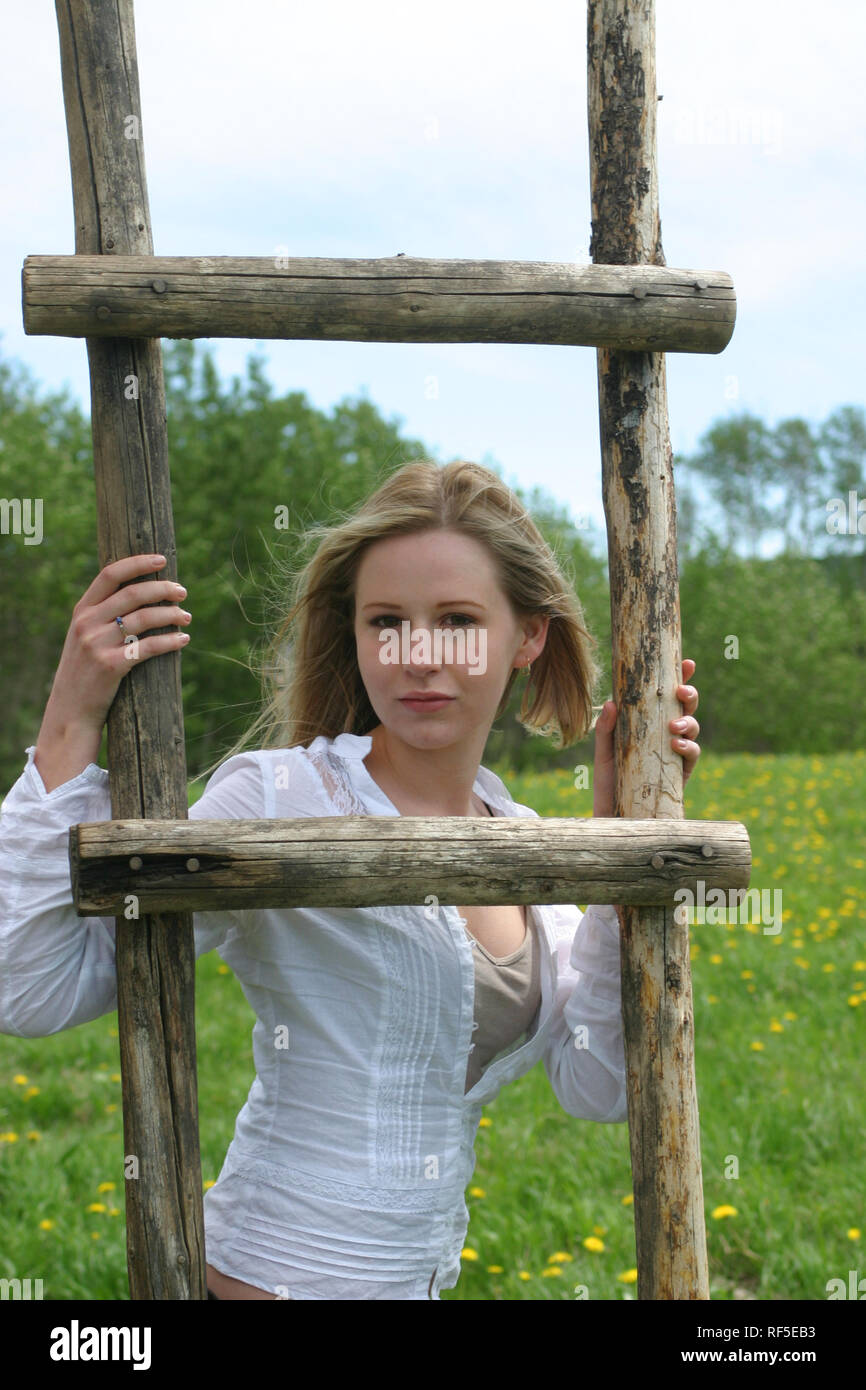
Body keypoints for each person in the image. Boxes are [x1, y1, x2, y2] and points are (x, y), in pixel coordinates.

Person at [0, 459, 700, 1300]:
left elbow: (600, 1086)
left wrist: (618, 845)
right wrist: (72, 716)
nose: (417, 656)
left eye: (457, 620)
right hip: (262, 1277)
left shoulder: (523, 843)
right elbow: (33, 989)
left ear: (529, 636)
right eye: (386, 621)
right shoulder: (280, 796)